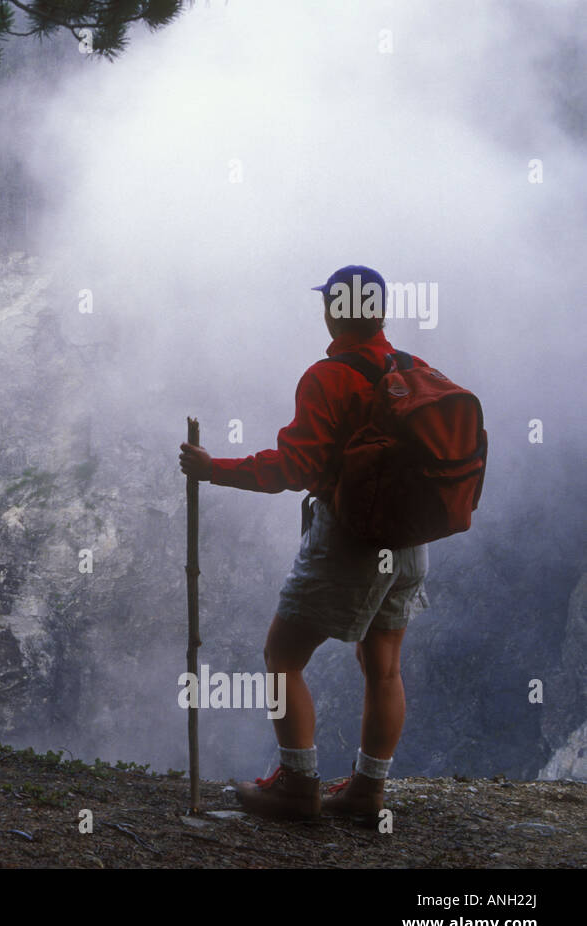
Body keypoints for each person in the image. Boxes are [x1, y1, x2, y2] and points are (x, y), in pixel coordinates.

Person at [177, 265, 430, 823]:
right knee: (383, 666)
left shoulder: (328, 377)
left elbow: (293, 467)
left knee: (282, 655)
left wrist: (212, 468)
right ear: (382, 312)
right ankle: (368, 792)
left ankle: (297, 784)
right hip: (410, 542)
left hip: (352, 539)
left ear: (333, 311)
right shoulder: (411, 371)